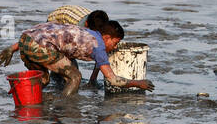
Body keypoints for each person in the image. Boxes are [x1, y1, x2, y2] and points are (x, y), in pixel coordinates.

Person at [17, 20, 153, 95]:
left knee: (44, 80)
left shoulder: (88, 33)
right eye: (115, 43)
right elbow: (113, 80)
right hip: (40, 46)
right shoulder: (98, 46)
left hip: (25, 40)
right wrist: (139, 83)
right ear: (107, 37)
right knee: (75, 77)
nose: (115, 47)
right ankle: (66, 107)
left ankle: (21, 96)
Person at [0, 6, 110, 85]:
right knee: (67, 63)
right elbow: (39, 36)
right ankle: (59, 82)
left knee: (67, 65)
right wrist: (13, 48)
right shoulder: (77, 31)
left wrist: (93, 80)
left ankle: (57, 80)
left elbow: (99, 54)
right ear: (87, 25)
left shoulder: (99, 25)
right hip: (58, 18)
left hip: (72, 14)